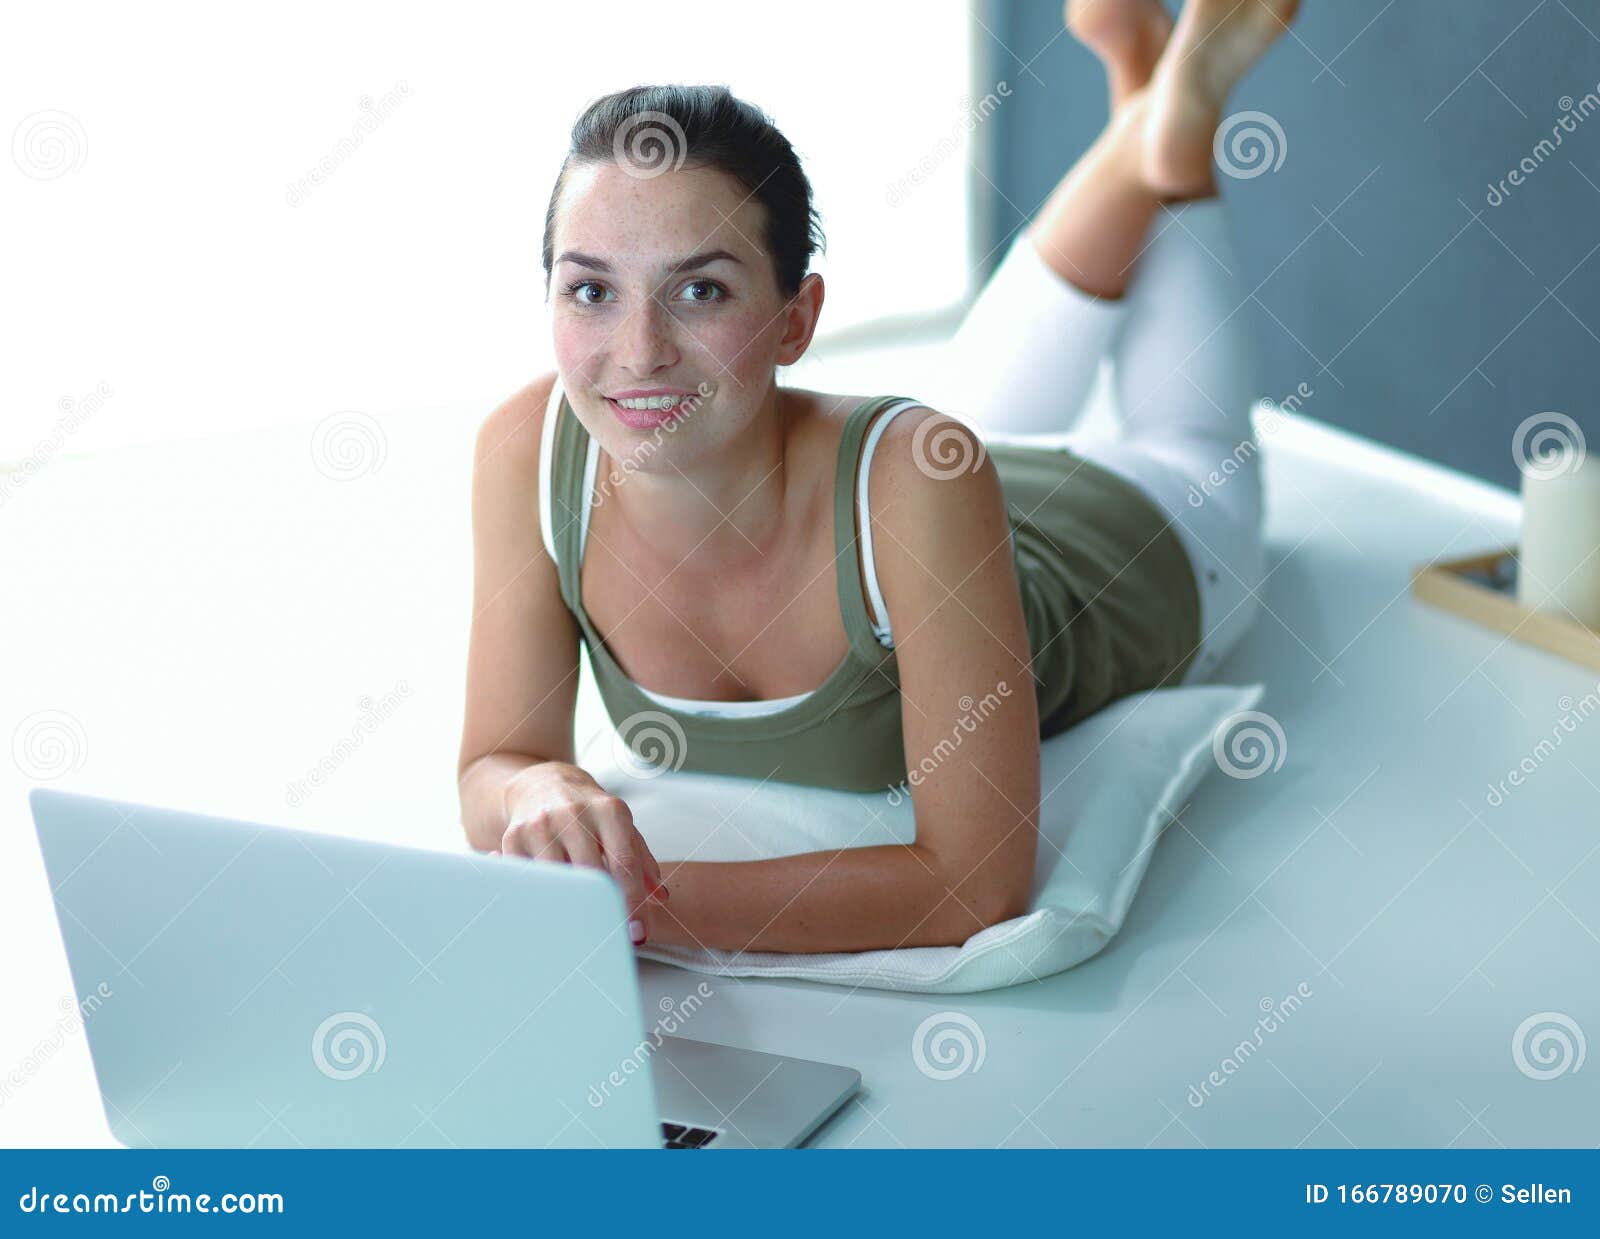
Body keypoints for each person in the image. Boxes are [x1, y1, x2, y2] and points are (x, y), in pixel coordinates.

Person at [457, 0, 1298, 955]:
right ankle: (1146, 98)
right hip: (925, 510)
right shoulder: (527, 448)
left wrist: (629, 901)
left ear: (797, 319)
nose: (639, 351)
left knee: (1186, 437)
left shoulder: (918, 478)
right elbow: (496, 763)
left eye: (700, 290)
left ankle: (1168, 132)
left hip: (1136, 535)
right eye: (591, 290)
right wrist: (538, 786)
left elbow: (976, 887)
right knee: (955, 418)